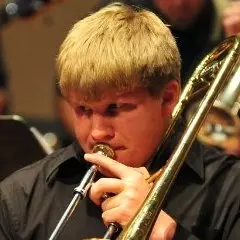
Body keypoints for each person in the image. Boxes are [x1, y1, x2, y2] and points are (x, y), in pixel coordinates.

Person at [0, 2, 239, 239]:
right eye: (83, 110)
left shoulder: (231, 190)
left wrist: (166, 234)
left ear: (167, 98)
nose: (97, 133)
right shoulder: (21, 197)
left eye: (114, 109)